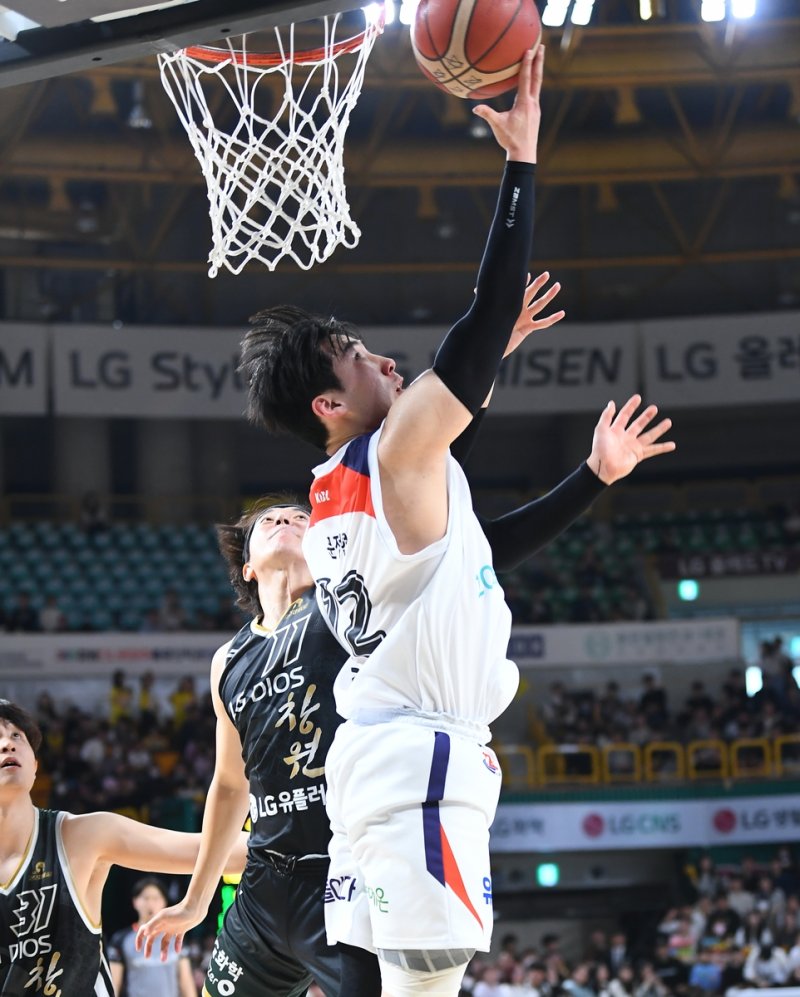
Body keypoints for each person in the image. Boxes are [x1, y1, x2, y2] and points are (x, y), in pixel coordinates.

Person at [231, 41, 675, 997]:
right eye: (356, 356)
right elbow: (472, 336)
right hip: (421, 756)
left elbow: (484, 547)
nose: (385, 360)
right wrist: (520, 163)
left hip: (384, 758)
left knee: (369, 983)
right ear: (329, 403)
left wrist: (592, 474)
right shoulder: (391, 456)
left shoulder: (342, 488)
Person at [0, 699, 246, 995]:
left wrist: (294, 840)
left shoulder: (81, 836)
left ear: (36, 766)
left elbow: (215, 851)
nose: (7, 744)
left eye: (17, 736)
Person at [108, 877, 196, 997]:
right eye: (145, 898)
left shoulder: (175, 936)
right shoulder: (121, 940)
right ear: (135, 902)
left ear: (164, 903)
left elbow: (186, 982)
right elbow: (114, 985)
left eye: (156, 898)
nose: (150, 903)